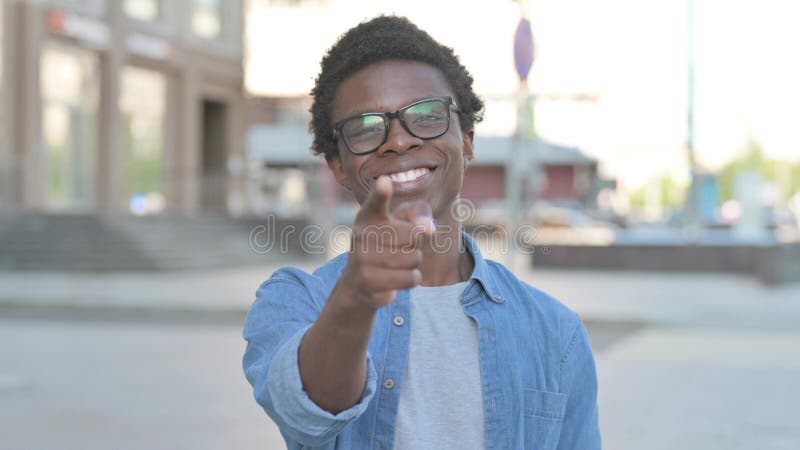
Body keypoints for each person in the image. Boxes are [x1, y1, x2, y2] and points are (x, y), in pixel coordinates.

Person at [243, 15, 601, 450]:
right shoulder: (295, 301)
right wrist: (355, 299)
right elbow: (307, 415)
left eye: (428, 115)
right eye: (365, 127)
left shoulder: (556, 331)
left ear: (467, 140)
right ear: (338, 166)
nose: (398, 140)